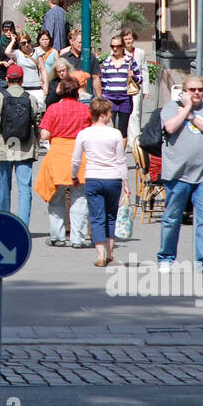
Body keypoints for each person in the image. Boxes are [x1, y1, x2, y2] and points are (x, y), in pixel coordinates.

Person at [157, 76, 203, 275]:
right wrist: (186, 109)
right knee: (172, 218)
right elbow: (169, 127)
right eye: (192, 89)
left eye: (200, 90)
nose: (197, 93)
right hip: (177, 174)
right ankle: (166, 258)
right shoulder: (171, 107)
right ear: (184, 92)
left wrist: (192, 117)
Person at [34, 76, 92, 248]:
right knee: (79, 198)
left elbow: (44, 135)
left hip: (58, 156)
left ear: (61, 91)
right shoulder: (85, 110)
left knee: (56, 198)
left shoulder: (53, 109)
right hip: (80, 157)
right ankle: (78, 238)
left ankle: (57, 236)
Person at [0, 63, 42, 226]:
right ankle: (22, 225)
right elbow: (37, 122)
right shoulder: (30, 99)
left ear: (7, 79)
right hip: (25, 148)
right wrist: (36, 142)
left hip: (5, 147)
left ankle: (4, 221)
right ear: (22, 79)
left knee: (4, 187)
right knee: (24, 188)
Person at [71, 97, 126, 266]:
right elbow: (121, 160)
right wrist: (126, 182)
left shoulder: (84, 134)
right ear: (102, 114)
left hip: (93, 178)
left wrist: (74, 176)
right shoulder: (115, 133)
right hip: (113, 179)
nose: (111, 115)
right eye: (109, 112)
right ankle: (110, 254)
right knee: (111, 216)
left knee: (96, 217)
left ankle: (100, 255)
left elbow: (76, 160)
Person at [96, 34, 139, 138]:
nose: (115, 48)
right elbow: (103, 81)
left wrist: (133, 76)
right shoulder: (107, 62)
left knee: (123, 130)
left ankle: (121, 153)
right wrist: (103, 97)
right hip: (110, 99)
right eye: (112, 46)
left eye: (118, 46)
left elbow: (140, 78)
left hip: (125, 99)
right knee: (110, 128)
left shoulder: (130, 60)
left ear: (123, 46)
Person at [122, 27, 148, 128]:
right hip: (123, 87)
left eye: (130, 38)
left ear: (133, 39)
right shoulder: (120, 52)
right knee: (126, 112)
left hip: (137, 87)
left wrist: (146, 90)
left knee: (136, 111)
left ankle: (135, 136)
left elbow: (144, 71)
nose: (128, 41)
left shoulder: (140, 52)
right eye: (126, 39)